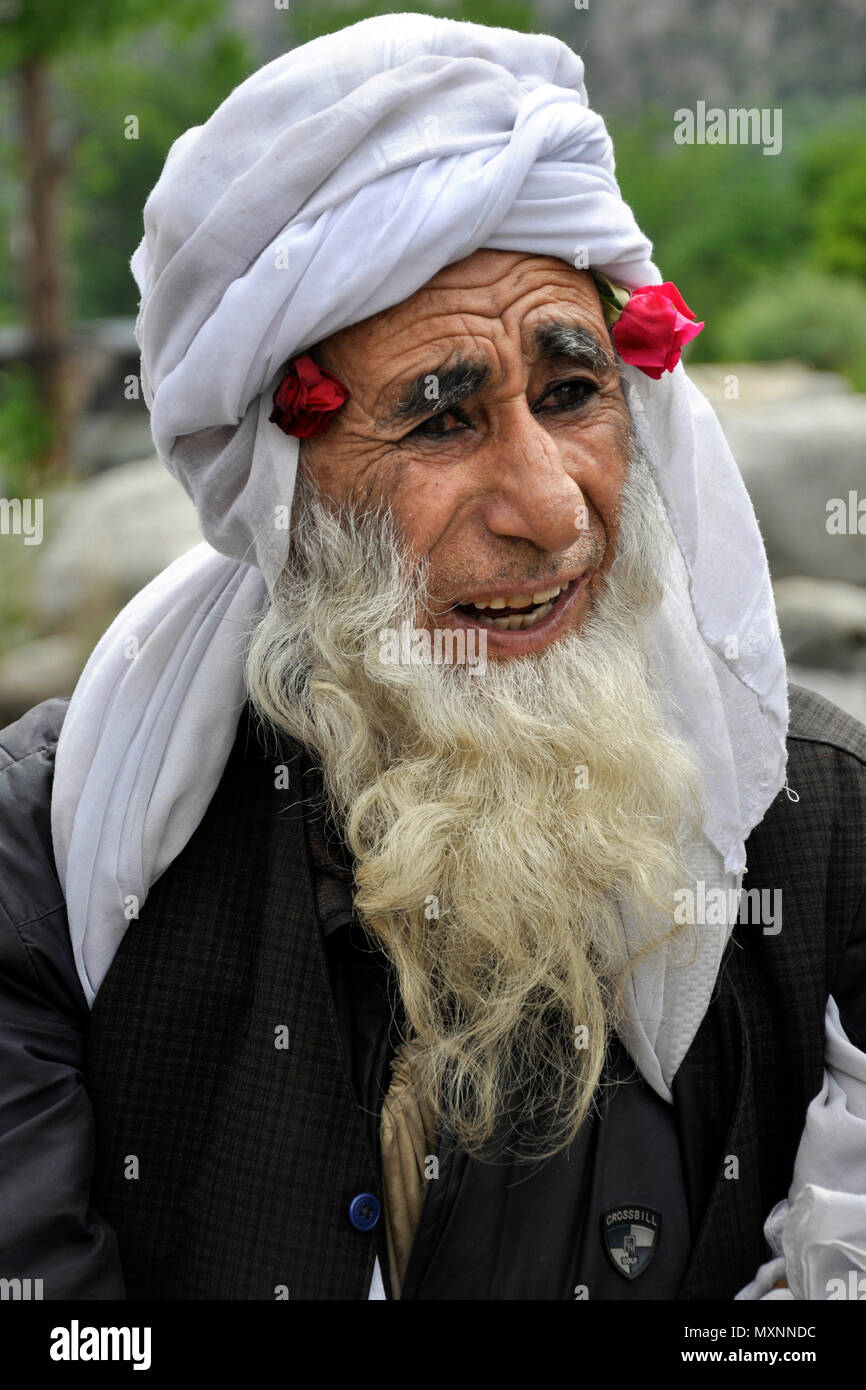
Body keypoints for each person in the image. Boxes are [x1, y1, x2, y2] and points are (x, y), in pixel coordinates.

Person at [1, 12, 864, 1302]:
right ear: (281, 491)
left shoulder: (821, 822)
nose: (555, 510)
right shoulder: (53, 847)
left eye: (574, 395)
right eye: (444, 420)